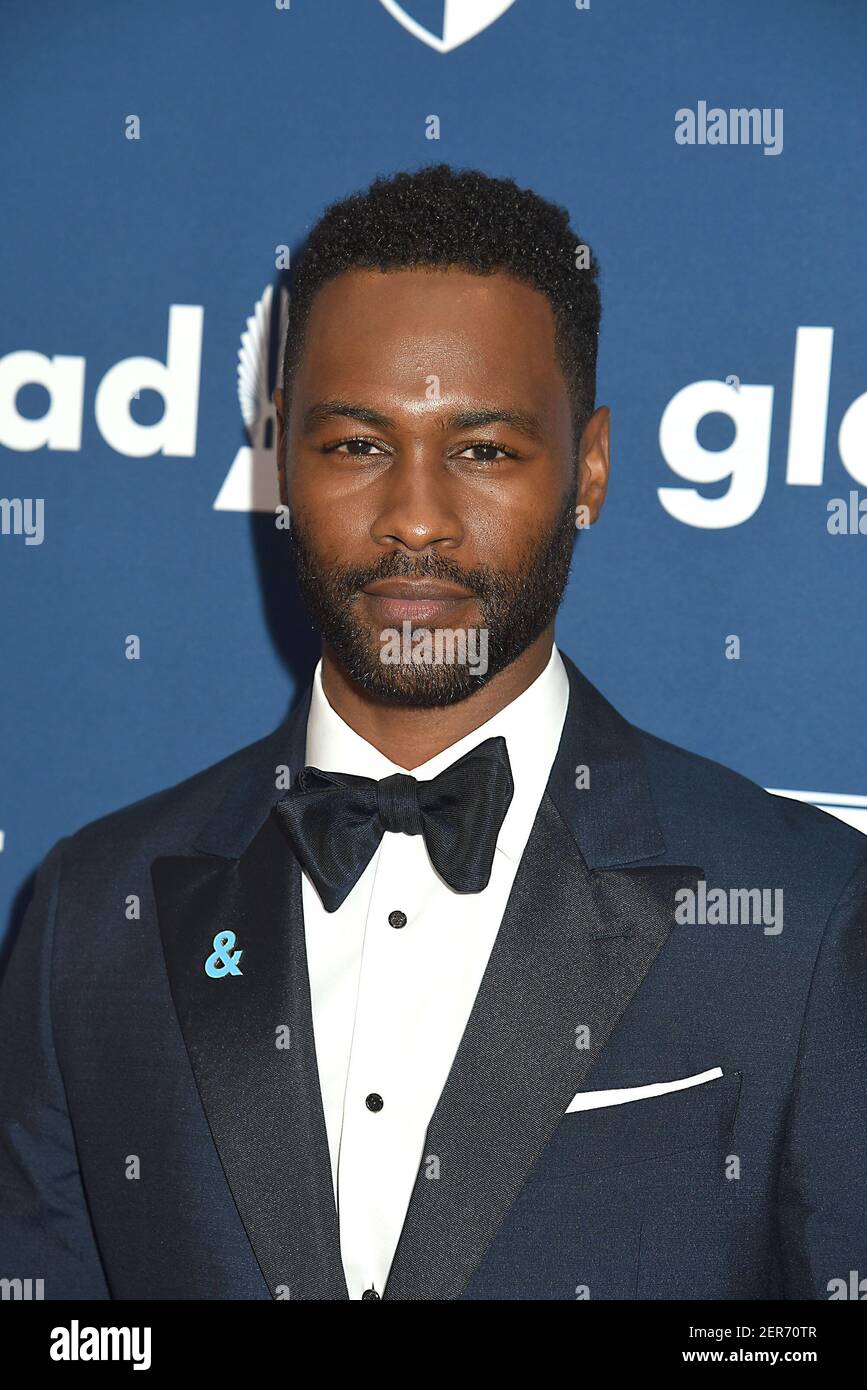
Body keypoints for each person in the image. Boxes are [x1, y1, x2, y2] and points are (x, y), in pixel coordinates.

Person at [1, 164, 865, 1301]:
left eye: (485, 449)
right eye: (357, 445)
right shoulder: (86, 919)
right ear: (280, 463)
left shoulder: (803, 918)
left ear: (590, 468)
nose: (415, 515)